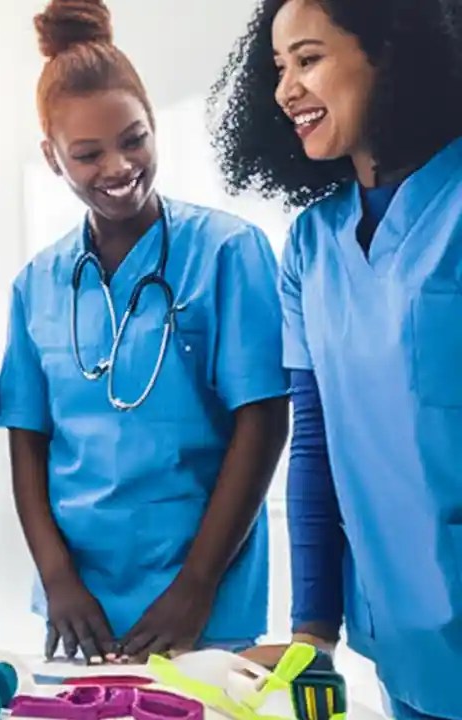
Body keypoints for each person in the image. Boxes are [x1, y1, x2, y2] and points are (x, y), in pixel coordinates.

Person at [0, 0, 290, 666]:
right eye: (87, 153)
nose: (118, 167)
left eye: (133, 139)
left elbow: (264, 420)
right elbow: (27, 443)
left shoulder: (227, 252)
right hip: (83, 612)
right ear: (53, 158)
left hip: (202, 601)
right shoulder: (36, 285)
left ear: (154, 124)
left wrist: (195, 587)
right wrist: (57, 579)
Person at [210, 0, 462, 717]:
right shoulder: (310, 247)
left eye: (310, 59)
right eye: (279, 67)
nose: (286, 89)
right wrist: (312, 632)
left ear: (389, 52)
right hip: (403, 650)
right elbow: (315, 446)